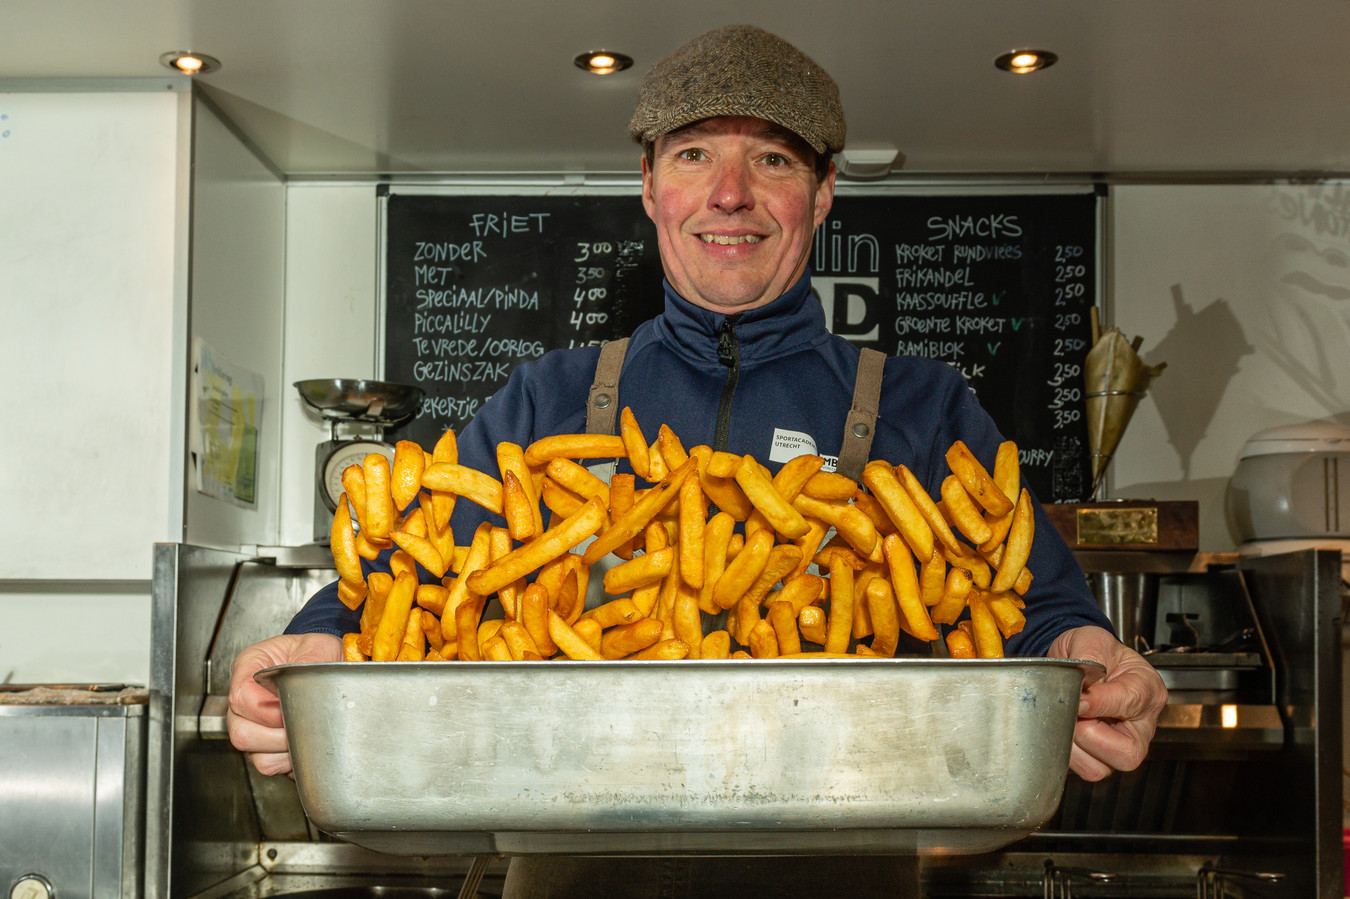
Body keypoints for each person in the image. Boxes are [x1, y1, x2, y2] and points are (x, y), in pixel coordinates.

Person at [228, 23, 1168, 897]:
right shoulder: (545, 402)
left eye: (772, 157)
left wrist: (1091, 660)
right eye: (694, 155)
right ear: (648, 184)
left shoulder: (925, 409)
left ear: (825, 190)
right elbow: (397, 574)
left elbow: (1045, 615)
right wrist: (315, 645)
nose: (731, 194)